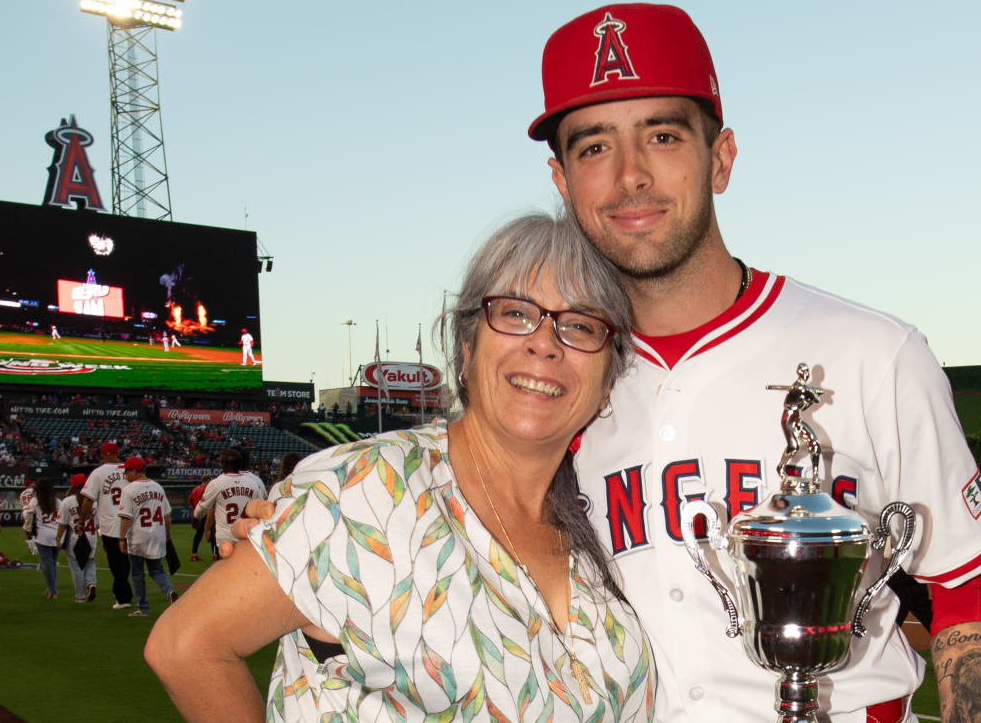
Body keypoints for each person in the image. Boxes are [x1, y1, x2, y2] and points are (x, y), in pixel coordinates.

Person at [533, 3, 981, 721]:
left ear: (720, 158)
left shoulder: (872, 353)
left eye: (662, 136)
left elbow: (970, 588)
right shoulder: (553, 385)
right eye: (595, 147)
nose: (630, 176)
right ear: (563, 181)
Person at [147, 213, 655, 722]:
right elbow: (185, 647)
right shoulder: (366, 488)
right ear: (467, 345)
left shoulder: (609, 510)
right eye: (516, 313)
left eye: (581, 325)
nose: (545, 343)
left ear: (609, 376)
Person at [117, 458, 175, 618]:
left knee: (137, 573)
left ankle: (143, 608)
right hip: (157, 533)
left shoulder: (129, 490)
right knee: (157, 570)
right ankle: (170, 591)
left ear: (135, 471)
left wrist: (121, 538)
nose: (125, 474)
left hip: (138, 536)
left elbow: (126, 518)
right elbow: (167, 515)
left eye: (127, 471)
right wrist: (168, 535)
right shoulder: (158, 487)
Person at [79, 441, 134, 609]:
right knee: (126, 562)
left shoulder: (98, 472)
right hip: (130, 522)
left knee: (116, 563)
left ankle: (123, 597)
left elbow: (88, 500)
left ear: (104, 454)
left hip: (110, 525)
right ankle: (125, 594)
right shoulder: (131, 470)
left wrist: (82, 520)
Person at [192, 448, 265, 556]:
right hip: (246, 539)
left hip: (225, 541)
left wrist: (196, 519)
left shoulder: (216, 483)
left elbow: (200, 510)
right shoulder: (252, 483)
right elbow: (261, 510)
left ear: (223, 464)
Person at [57, 474, 97, 602]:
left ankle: (80, 596)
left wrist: (58, 539)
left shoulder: (68, 501)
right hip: (91, 536)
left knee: (76, 566)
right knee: (90, 562)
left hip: (75, 537)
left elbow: (62, 524)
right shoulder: (94, 500)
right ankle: (91, 583)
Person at [24, 478, 62, 600]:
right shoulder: (57, 501)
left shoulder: (35, 501)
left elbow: (27, 515)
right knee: (52, 564)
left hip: (43, 536)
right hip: (57, 535)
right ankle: (51, 588)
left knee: (47, 565)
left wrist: (28, 530)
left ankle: (53, 590)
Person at [186, 475, 212, 562]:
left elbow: (189, 500)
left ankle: (194, 554)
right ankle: (215, 554)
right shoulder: (207, 489)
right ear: (207, 480)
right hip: (206, 514)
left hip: (197, 514)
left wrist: (195, 508)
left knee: (198, 535)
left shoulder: (196, 489)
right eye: (210, 480)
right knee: (213, 534)